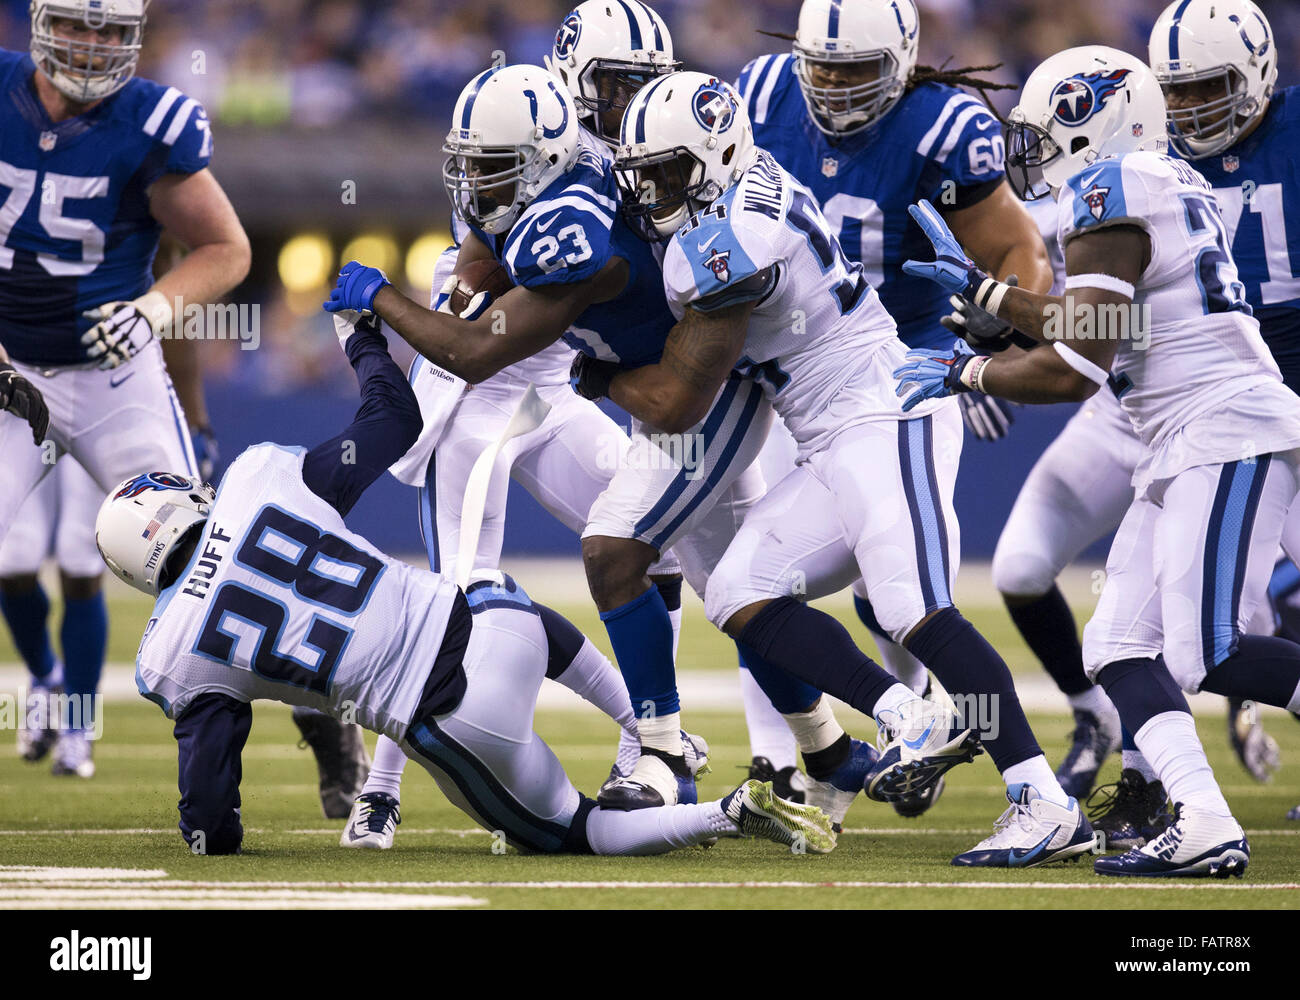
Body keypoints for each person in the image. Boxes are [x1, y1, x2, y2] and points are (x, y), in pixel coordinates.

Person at [94, 307, 835, 859]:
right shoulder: (256, 480)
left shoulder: (172, 653)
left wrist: (207, 832)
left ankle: (731, 813)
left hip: (447, 716)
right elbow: (390, 416)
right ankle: (653, 737)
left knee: (582, 832)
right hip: (490, 618)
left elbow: (214, 797)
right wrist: (362, 340)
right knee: (496, 590)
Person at [895, 45, 1300, 876]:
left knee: (1208, 650)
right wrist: (990, 297)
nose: (1036, 154)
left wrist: (965, 368)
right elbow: (1120, 329)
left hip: (1225, 428)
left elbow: (1076, 368)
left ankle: (1204, 821)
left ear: (1098, 122)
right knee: (1116, 643)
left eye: (1048, 134)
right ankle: (1204, 819)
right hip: (1185, 434)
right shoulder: (1160, 182)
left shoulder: (1112, 187)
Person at [732, 0, 1056, 817]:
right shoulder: (763, 93)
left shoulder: (943, 128)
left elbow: (1017, 251)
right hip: (796, 386)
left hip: (899, 375)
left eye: (857, 70)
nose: (836, 88)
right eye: (825, 67)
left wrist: (988, 336)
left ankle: (1039, 794)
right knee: (742, 583)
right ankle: (872, 735)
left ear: (903, 61)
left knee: (908, 601)